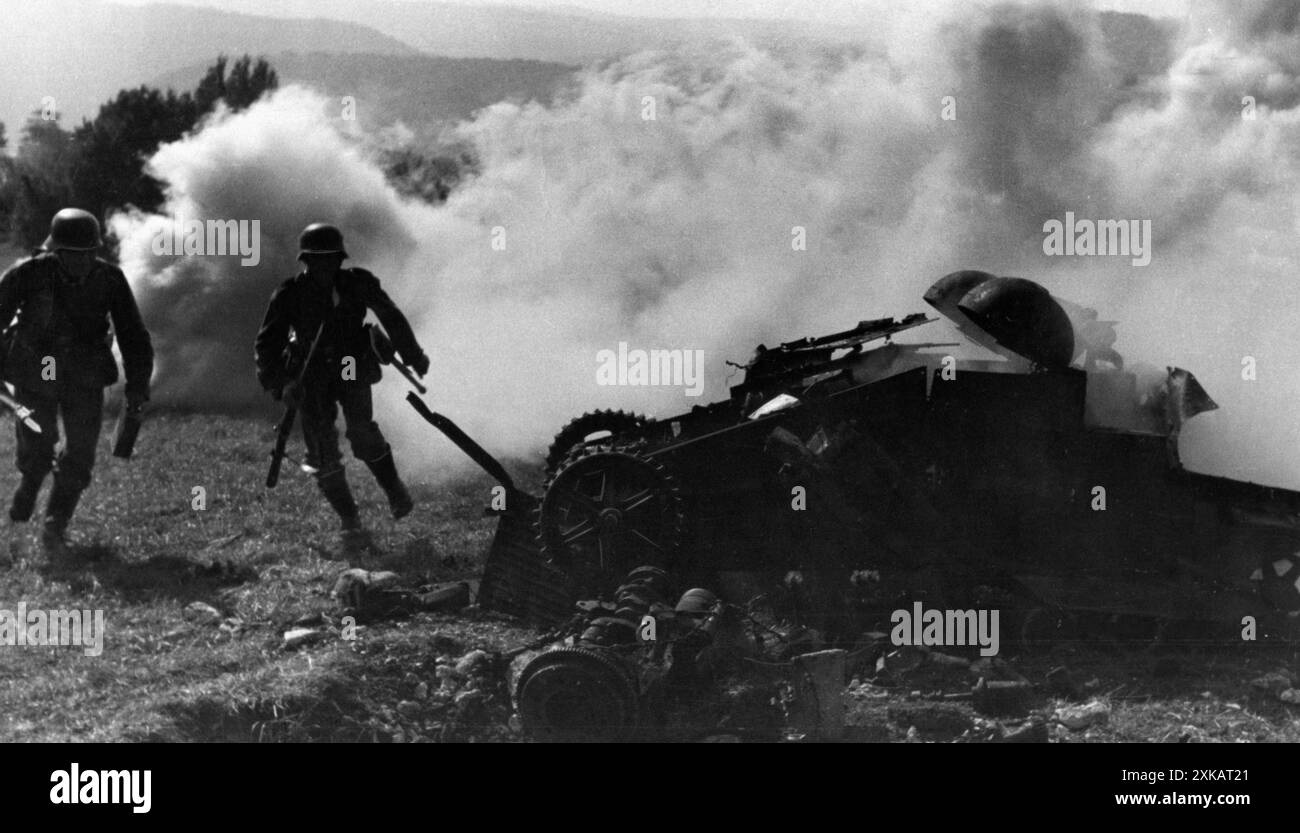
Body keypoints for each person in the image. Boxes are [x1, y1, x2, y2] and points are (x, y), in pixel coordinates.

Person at [254, 223, 429, 547]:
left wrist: (413, 355)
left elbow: (390, 315)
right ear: (305, 261)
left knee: (363, 433)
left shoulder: (357, 283)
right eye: (317, 260)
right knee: (322, 451)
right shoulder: (289, 294)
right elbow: (267, 344)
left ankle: (394, 491)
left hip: (351, 366)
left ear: (340, 259)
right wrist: (280, 384)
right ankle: (350, 519)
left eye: (331, 259)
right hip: (311, 375)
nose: (324, 267)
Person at [0, 208, 154, 559]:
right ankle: (28, 487)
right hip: (38, 370)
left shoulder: (110, 279)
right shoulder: (28, 274)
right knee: (39, 445)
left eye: (89, 253)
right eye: (74, 254)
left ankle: (55, 527)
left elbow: (133, 335)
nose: (82, 261)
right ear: (56, 252)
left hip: (83, 375)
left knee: (80, 455)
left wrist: (138, 387)